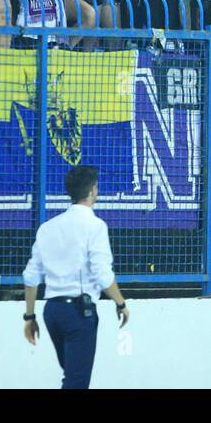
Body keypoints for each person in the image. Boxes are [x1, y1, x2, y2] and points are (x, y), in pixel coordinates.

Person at [23, 165, 129, 391]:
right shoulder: (95, 226)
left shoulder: (47, 228)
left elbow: (31, 277)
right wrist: (121, 303)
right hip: (78, 312)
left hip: (52, 311)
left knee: (71, 377)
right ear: (92, 191)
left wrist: (29, 316)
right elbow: (102, 273)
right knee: (77, 382)